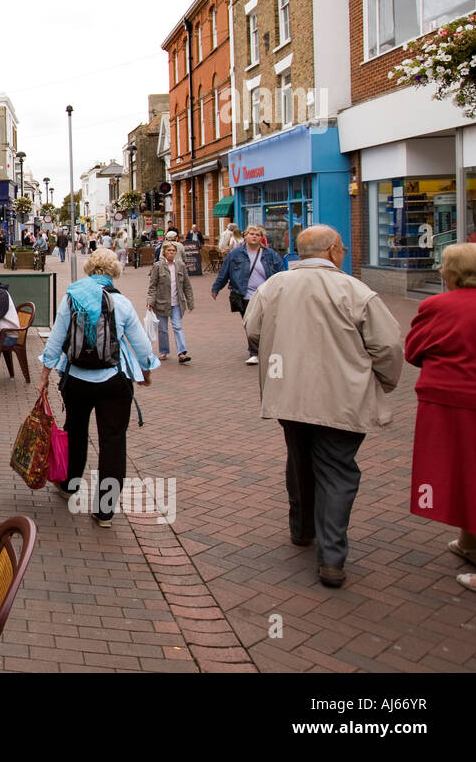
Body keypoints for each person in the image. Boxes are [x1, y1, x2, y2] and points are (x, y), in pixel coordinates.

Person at [243, 226, 403, 588]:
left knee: (299, 459)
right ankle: (331, 557)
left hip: (288, 394)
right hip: (341, 397)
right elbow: (388, 346)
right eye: (342, 247)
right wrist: (385, 381)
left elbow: (252, 330)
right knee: (337, 470)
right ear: (332, 251)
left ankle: (302, 529)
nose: (343, 252)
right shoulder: (354, 290)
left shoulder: (274, 287)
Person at [39, 248, 160, 526]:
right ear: (113, 273)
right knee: (113, 442)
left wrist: (45, 373)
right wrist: (146, 371)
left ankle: (70, 484)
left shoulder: (72, 297)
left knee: (76, 431)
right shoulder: (123, 303)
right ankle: (105, 511)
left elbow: (56, 339)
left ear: (90, 269)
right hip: (114, 382)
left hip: (77, 381)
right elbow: (140, 344)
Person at [404, 243, 476, 593]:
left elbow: (414, 351)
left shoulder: (437, 306)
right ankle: (469, 542)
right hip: (460, 401)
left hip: (450, 403)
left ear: (452, 273)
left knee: (461, 471)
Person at [211, 224, 284, 364]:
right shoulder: (235, 254)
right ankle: (254, 352)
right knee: (250, 325)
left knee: (265, 324)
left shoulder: (271, 254)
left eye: (257, 234)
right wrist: (216, 288)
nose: (254, 236)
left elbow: (281, 272)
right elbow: (224, 272)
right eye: (251, 234)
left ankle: (265, 348)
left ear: (262, 238)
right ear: (245, 237)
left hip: (266, 295)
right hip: (244, 295)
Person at [147, 240, 193, 364]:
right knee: (163, 329)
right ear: (164, 252)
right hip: (161, 302)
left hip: (177, 303)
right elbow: (152, 286)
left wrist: (190, 302)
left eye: (173, 251)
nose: (171, 253)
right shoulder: (158, 266)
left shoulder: (180, 266)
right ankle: (164, 350)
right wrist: (150, 302)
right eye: (169, 250)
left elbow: (187, 286)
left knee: (177, 327)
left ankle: (182, 353)